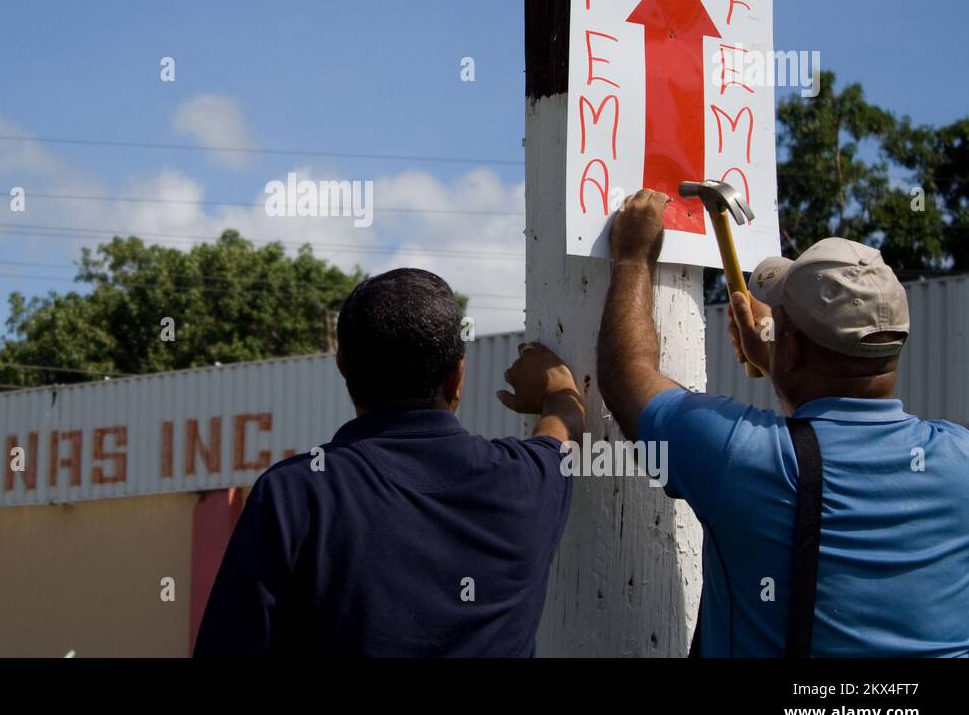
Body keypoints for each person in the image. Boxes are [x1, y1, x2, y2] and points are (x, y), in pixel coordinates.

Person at [598, 188, 969, 656]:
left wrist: (632, 258)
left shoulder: (743, 455)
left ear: (791, 348)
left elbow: (626, 376)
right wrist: (782, 363)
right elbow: (820, 443)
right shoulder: (960, 457)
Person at [194, 267, 582, 657]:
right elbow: (565, 425)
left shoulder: (293, 494)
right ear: (457, 375)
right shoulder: (525, 480)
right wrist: (557, 391)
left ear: (343, 367)